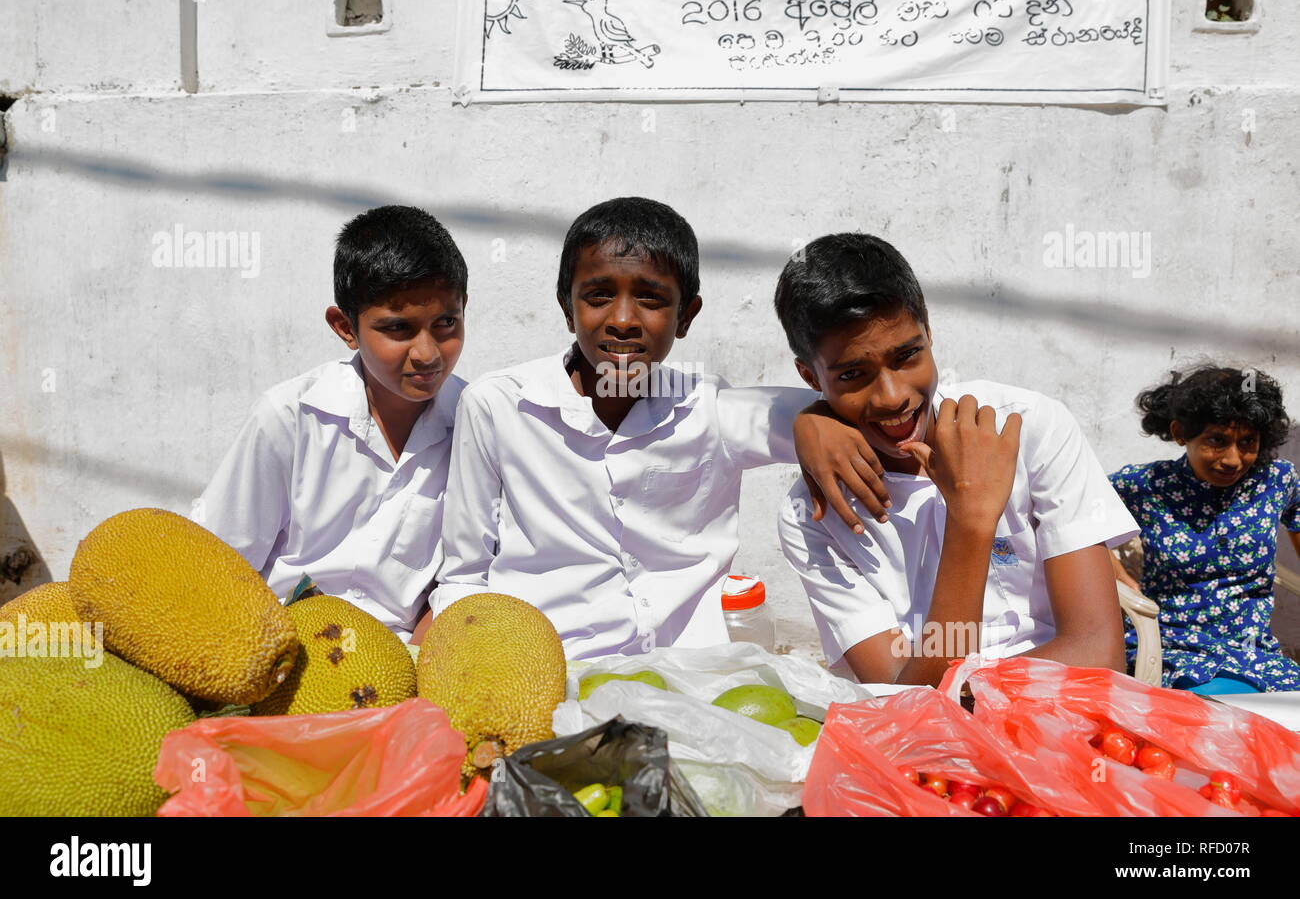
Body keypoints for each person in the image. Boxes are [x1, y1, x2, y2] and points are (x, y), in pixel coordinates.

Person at [434, 197, 887, 659]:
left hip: (688, 680)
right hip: (543, 673)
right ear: (567, 309)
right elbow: (464, 575)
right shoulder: (498, 406)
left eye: (650, 299)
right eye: (598, 296)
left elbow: (865, 406)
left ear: (685, 316)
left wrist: (813, 418)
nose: (624, 321)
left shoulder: (708, 409)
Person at [775, 233, 1139, 686]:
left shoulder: (1027, 428)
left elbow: (1098, 654)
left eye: (907, 356)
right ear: (810, 376)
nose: (893, 397)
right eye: (853, 374)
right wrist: (970, 520)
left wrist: (961, 691)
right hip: (933, 744)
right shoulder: (813, 514)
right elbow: (905, 695)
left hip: (1063, 721)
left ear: (929, 333)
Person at [198, 206, 468, 641]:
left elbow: (468, 580)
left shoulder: (476, 427)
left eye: (446, 323)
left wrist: (422, 665)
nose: (427, 353)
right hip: (285, 648)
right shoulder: (288, 418)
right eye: (398, 329)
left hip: (407, 659)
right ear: (345, 327)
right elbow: (220, 561)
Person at [1109, 365, 1300, 692]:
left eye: (1247, 442)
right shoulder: (1147, 485)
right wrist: (1119, 577)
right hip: (1171, 647)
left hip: (1255, 654)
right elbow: (1068, 516)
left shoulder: (1276, 480)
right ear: (1181, 432)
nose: (1233, 459)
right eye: (1217, 440)